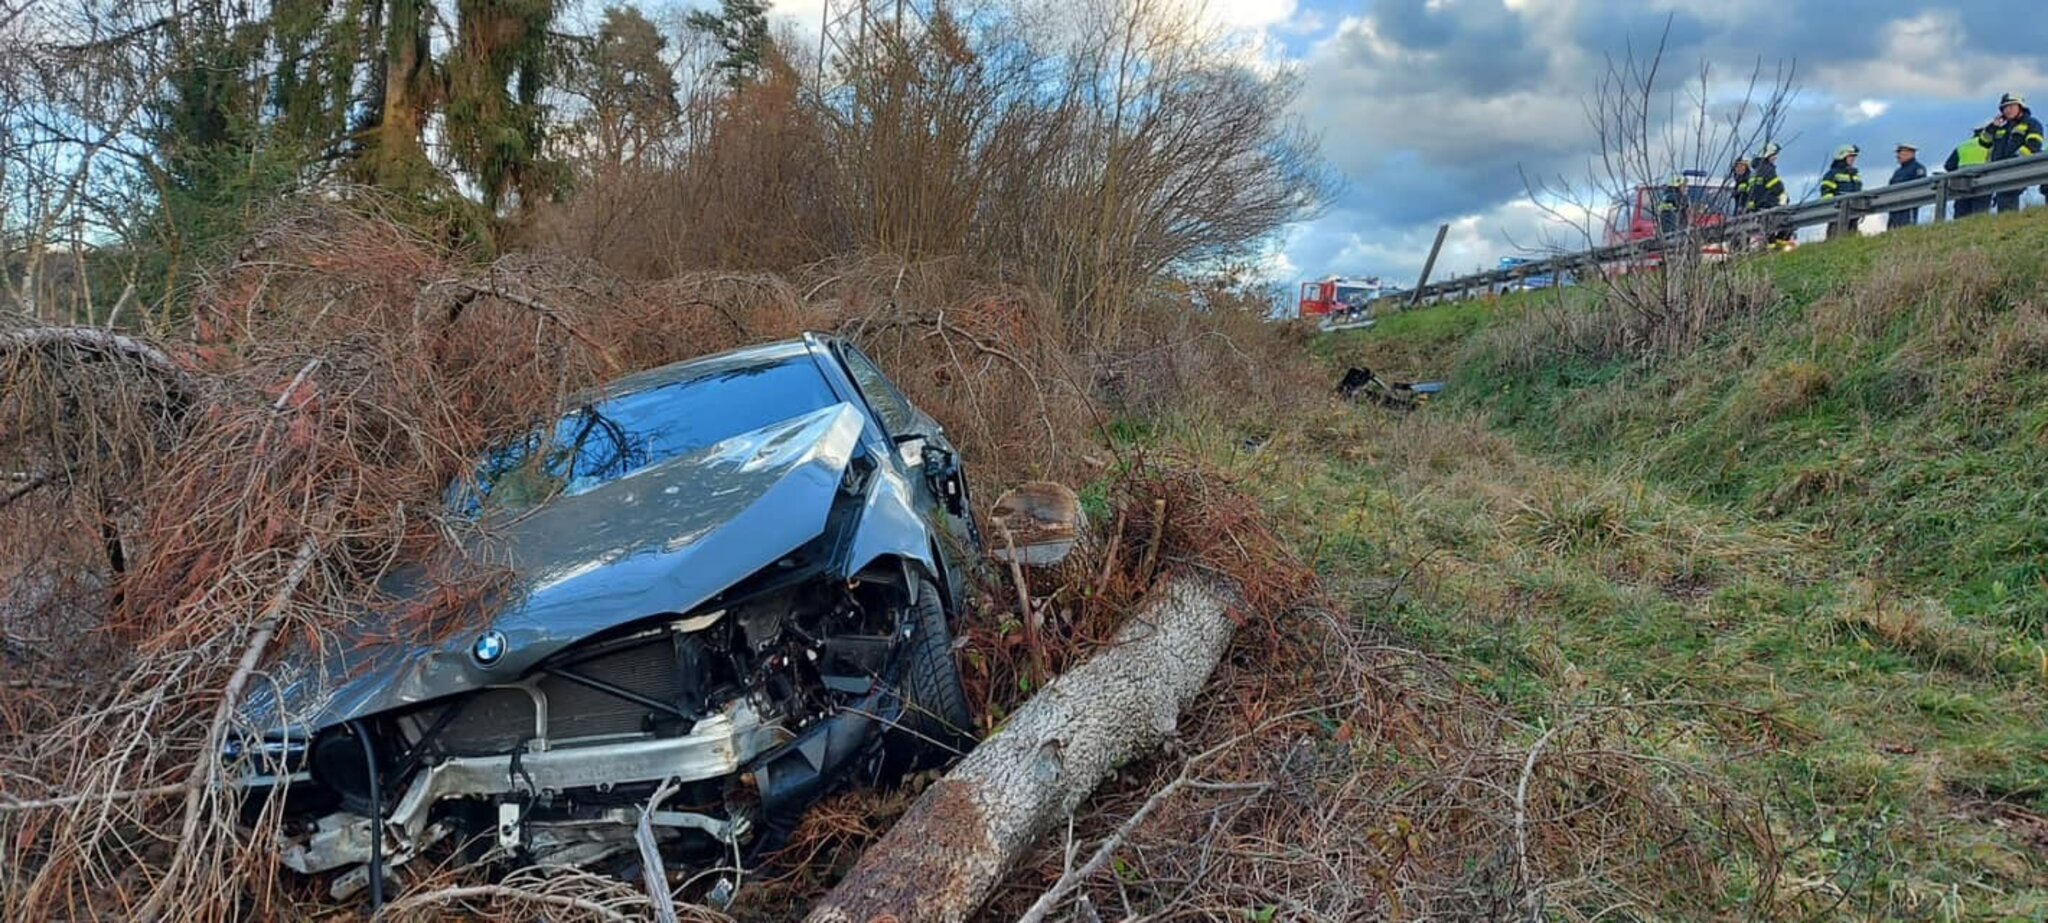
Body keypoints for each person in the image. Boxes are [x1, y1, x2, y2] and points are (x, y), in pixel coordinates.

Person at [1980, 92, 2043, 213]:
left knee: (2007, 199)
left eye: (2011, 106)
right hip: (2000, 170)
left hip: (2018, 168)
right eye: (2004, 108)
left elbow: (2034, 145)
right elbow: (1984, 142)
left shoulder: (2032, 123)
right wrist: (1992, 127)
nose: (2007, 110)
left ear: (2020, 107)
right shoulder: (2001, 128)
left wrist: (2014, 161)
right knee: (2004, 203)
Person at [1750, 142, 1792, 248]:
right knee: (1789, 222)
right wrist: (1784, 198)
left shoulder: (1754, 171)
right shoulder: (1767, 169)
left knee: (1769, 235)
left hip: (1759, 207)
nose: (1775, 158)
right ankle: (1779, 248)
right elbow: (1777, 187)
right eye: (1774, 155)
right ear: (1767, 155)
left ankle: (1771, 250)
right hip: (1769, 204)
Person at [1944, 131, 1993, 218]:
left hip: (1961, 185)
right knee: (1979, 216)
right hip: (1982, 183)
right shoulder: (1989, 145)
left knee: (1961, 216)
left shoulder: (1962, 145)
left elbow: (1949, 166)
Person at [1820, 144, 1862, 238]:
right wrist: (1834, 208)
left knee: (1851, 240)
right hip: (1838, 214)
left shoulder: (1855, 174)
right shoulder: (1832, 174)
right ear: (1842, 156)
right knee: (1834, 239)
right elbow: (1826, 193)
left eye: (1854, 157)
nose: (1853, 159)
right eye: (1851, 156)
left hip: (1854, 212)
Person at [1887, 142, 1927, 229]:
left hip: (1908, 206)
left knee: (1906, 228)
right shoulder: (1898, 171)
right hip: (1894, 206)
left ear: (1911, 154)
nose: (1898, 156)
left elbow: (1920, 188)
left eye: (1901, 153)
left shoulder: (1918, 168)